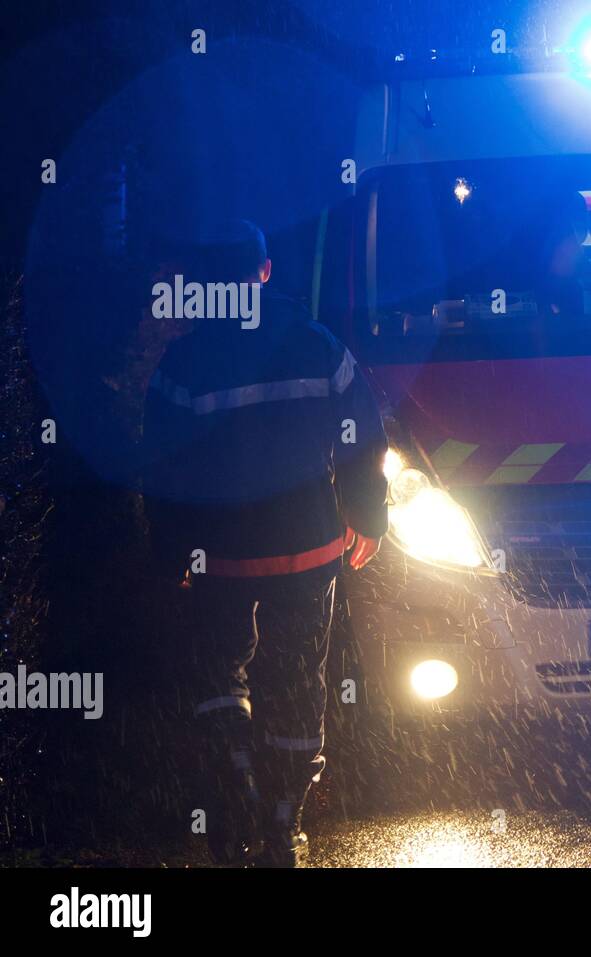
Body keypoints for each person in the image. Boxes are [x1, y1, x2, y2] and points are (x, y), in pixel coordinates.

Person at [141, 220, 388, 866]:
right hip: (308, 548)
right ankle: (284, 821)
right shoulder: (317, 345)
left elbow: (161, 469)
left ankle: (237, 785)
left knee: (222, 670)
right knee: (299, 678)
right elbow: (362, 434)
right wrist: (368, 514)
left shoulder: (183, 364)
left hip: (219, 555)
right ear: (266, 271)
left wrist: (172, 552)